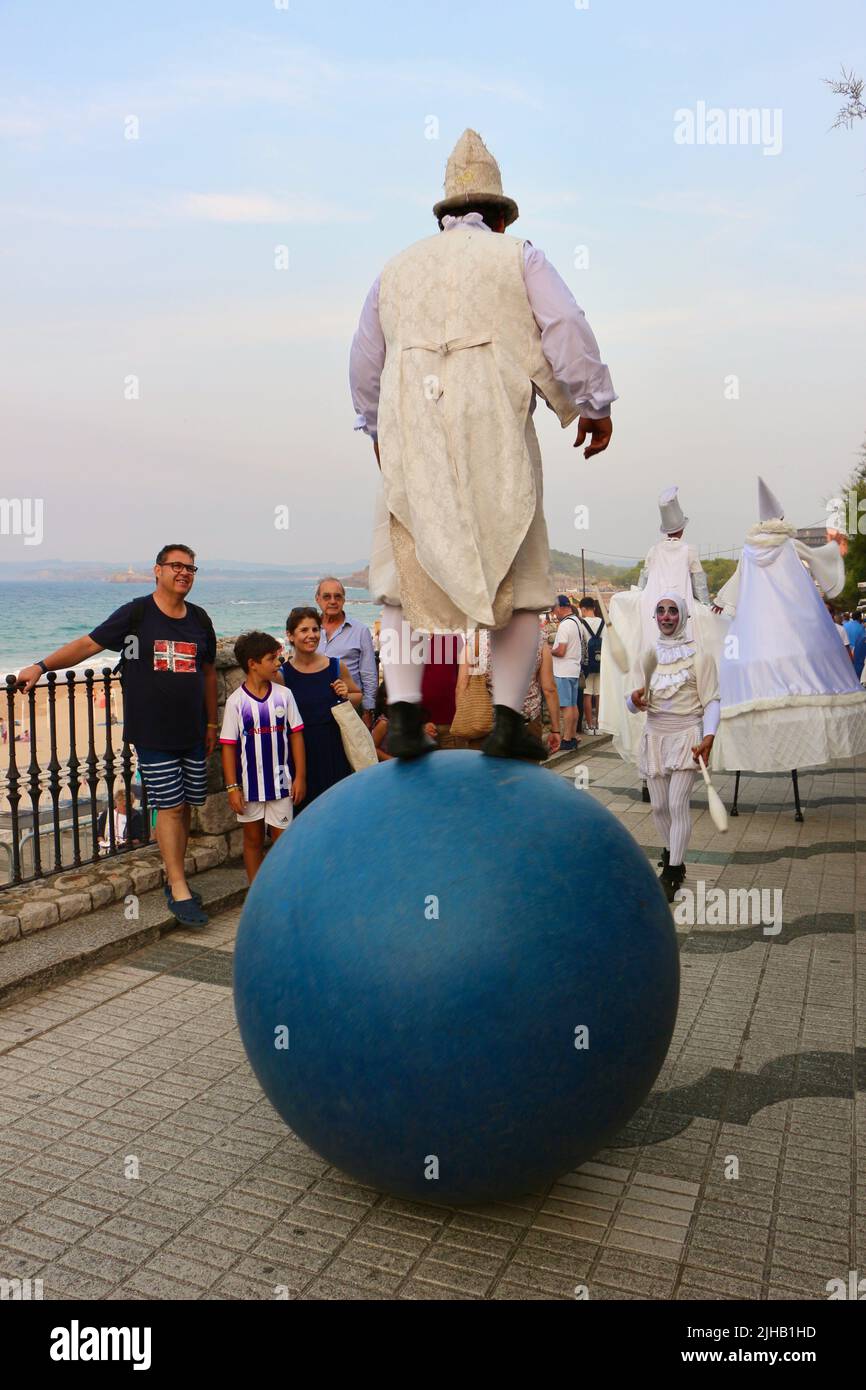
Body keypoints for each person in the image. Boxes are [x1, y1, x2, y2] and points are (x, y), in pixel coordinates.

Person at [351, 127, 615, 762]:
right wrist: (594, 404)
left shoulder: (394, 270)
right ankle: (503, 719)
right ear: (499, 217)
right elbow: (566, 328)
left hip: (415, 429)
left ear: (444, 216)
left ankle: (408, 716)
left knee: (401, 579)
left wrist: (375, 428)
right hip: (494, 424)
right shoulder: (518, 255)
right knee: (521, 577)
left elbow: (364, 361)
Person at [17, 543, 217, 927]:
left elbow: (208, 672)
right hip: (153, 733)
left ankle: (178, 878)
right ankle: (178, 887)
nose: (184, 573)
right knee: (171, 807)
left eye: (191, 568)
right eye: (176, 566)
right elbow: (88, 645)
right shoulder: (137, 614)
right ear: (157, 570)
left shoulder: (199, 619)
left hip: (193, 731)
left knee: (187, 805)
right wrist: (41, 666)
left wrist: (210, 724)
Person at [712, 479, 866, 772]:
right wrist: (830, 568)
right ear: (781, 518)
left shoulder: (748, 551)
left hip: (759, 625)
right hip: (792, 619)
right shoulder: (790, 544)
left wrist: (724, 602)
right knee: (812, 667)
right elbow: (819, 561)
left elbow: (737, 581)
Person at [627, 593, 720, 902]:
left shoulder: (700, 656)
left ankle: (672, 870)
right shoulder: (648, 654)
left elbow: (712, 701)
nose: (666, 616)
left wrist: (709, 736)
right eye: (661, 611)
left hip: (686, 737)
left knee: (678, 805)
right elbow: (631, 701)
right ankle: (673, 857)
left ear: (683, 616)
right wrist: (634, 700)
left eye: (672, 611)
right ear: (655, 616)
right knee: (658, 807)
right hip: (654, 736)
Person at [221, 631, 306, 883]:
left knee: (283, 844)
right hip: (249, 788)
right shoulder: (237, 702)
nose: (278, 663)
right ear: (253, 664)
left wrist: (300, 776)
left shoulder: (284, 695)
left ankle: (280, 893)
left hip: (282, 785)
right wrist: (232, 787)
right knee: (253, 841)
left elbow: (296, 736)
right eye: (272, 658)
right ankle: (255, 895)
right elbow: (228, 746)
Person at [279, 607, 360, 810]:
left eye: (315, 630)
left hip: (333, 750)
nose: (311, 635)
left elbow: (358, 695)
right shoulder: (283, 675)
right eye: (304, 630)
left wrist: (345, 694)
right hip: (299, 753)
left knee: (337, 810)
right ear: (290, 635)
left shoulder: (335, 666)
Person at [315, 577, 377, 727]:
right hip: (315, 708)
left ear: (344, 600)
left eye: (338, 596)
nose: (332, 601)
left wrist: (368, 711)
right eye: (326, 596)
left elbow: (369, 674)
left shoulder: (360, 630)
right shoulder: (310, 631)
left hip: (349, 707)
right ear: (317, 599)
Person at [551, 596, 585, 751]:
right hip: (574, 668)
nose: (553, 613)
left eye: (554, 609)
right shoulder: (577, 621)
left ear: (560, 607)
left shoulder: (565, 625)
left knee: (566, 707)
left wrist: (549, 651)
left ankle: (566, 739)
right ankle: (573, 735)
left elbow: (561, 650)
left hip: (563, 670)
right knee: (573, 705)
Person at [577, 596, 604, 735]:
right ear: (594, 608)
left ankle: (589, 726)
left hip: (587, 664)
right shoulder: (602, 622)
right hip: (601, 663)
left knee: (587, 695)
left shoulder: (581, 624)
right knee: (599, 694)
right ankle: (598, 725)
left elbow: (580, 644)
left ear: (583, 609)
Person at [97, 787, 144, 855]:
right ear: (117, 803)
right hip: (107, 852)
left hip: (128, 852)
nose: (128, 808)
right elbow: (99, 834)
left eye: (130, 805)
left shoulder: (136, 815)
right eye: (125, 805)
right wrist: (103, 843)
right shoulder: (107, 814)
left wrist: (127, 842)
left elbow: (140, 838)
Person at [844, 610, 866, 677]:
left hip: (846, 652)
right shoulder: (861, 628)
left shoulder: (845, 625)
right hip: (857, 655)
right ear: (859, 617)